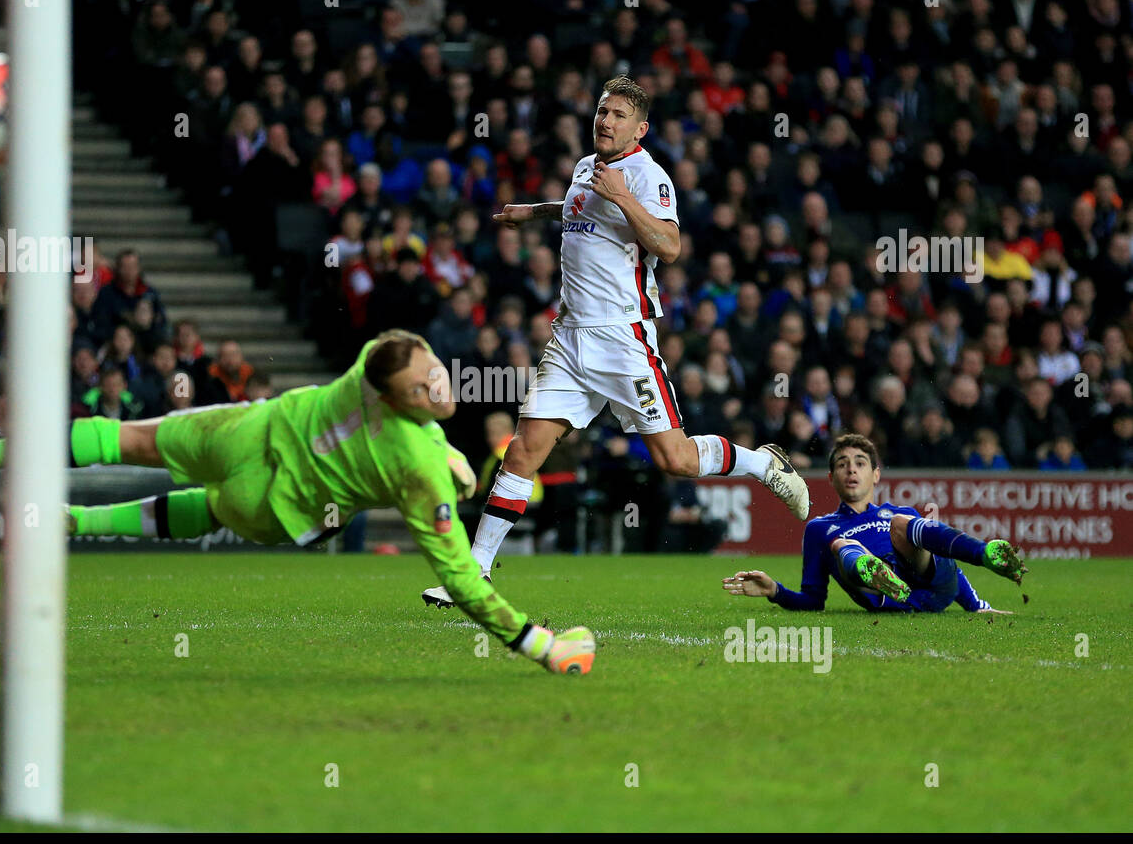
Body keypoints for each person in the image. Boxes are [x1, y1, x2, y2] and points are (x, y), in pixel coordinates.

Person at [0, 330, 595, 675]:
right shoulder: (417, 464)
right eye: (425, 388)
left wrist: (442, 448)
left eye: (436, 376)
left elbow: (412, 407)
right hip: (278, 508)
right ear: (395, 400)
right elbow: (458, 578)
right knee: (206, 508)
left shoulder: (374, 361)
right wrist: (541, 645)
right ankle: (71, 522)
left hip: (250, 431)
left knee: (121, 439)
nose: (438, 387)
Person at [422, 75, 808, 607]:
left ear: (640, 127)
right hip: (569, 339)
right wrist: (532, 212)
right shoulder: (587, 166)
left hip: (623, 338)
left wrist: (626, 199)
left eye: (618, 115)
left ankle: (763, 464)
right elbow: (579, 207)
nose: (605, 121)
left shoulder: (650, 177)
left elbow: (669, 246)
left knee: (673, 459)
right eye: (603, 111)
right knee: (521, 453)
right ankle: (474, 574)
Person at [721, 434, 1025, 613]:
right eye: (842, 464)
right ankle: (877, 574)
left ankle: (984, 554)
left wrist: (977, 606)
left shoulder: (897, 512)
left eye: (860, 463)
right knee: (842, 543)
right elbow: (814, 600)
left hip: (932, 584)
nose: (851, 469)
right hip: (886, 597)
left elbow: (945, 560)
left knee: (903, 523)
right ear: (831, 478)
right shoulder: (819, 528)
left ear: (875, 475)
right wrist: (775, 590)